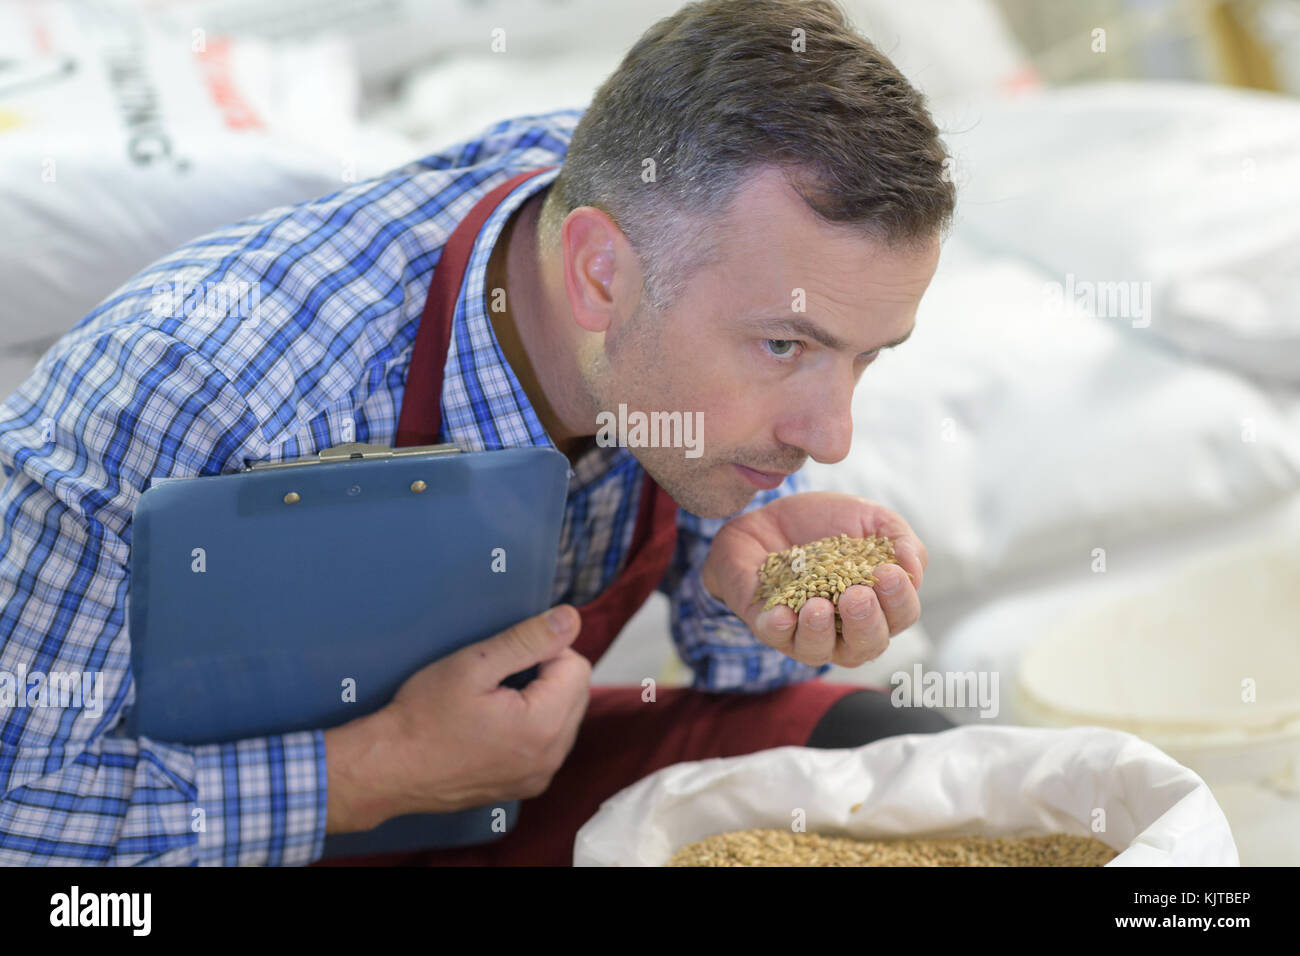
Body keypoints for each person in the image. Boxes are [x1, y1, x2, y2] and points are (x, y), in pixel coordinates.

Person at [0, 0, 955, 866]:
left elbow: (735, 679)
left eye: (867, 356)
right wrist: (375, 770)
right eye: (786, 345)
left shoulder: (658, 227)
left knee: (886, 753)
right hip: (209, 846)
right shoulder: (190, 386)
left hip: (499, 802)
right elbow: (17, 811)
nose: (833, 435)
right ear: (597, 275)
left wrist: (750, 592)